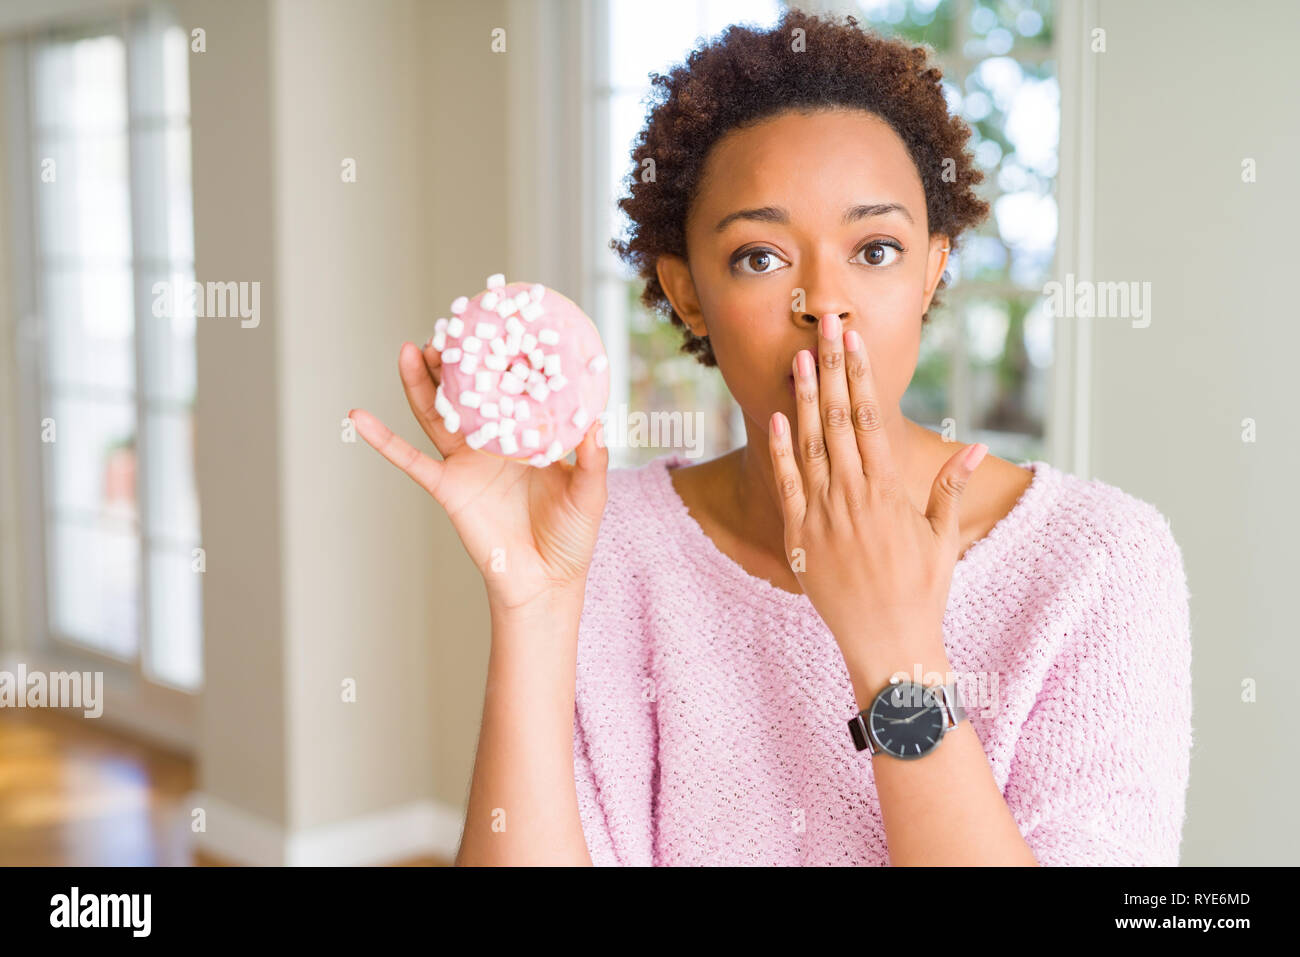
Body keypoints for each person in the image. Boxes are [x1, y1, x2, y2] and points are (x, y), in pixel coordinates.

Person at [349, 9, 1192, 866]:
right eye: (760, 256)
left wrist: (894, 650)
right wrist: (532, 609)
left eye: (875, 248)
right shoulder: (603, 541)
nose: (824, 301)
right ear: (684, 293)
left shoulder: (1099, 562)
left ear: (932, 269)